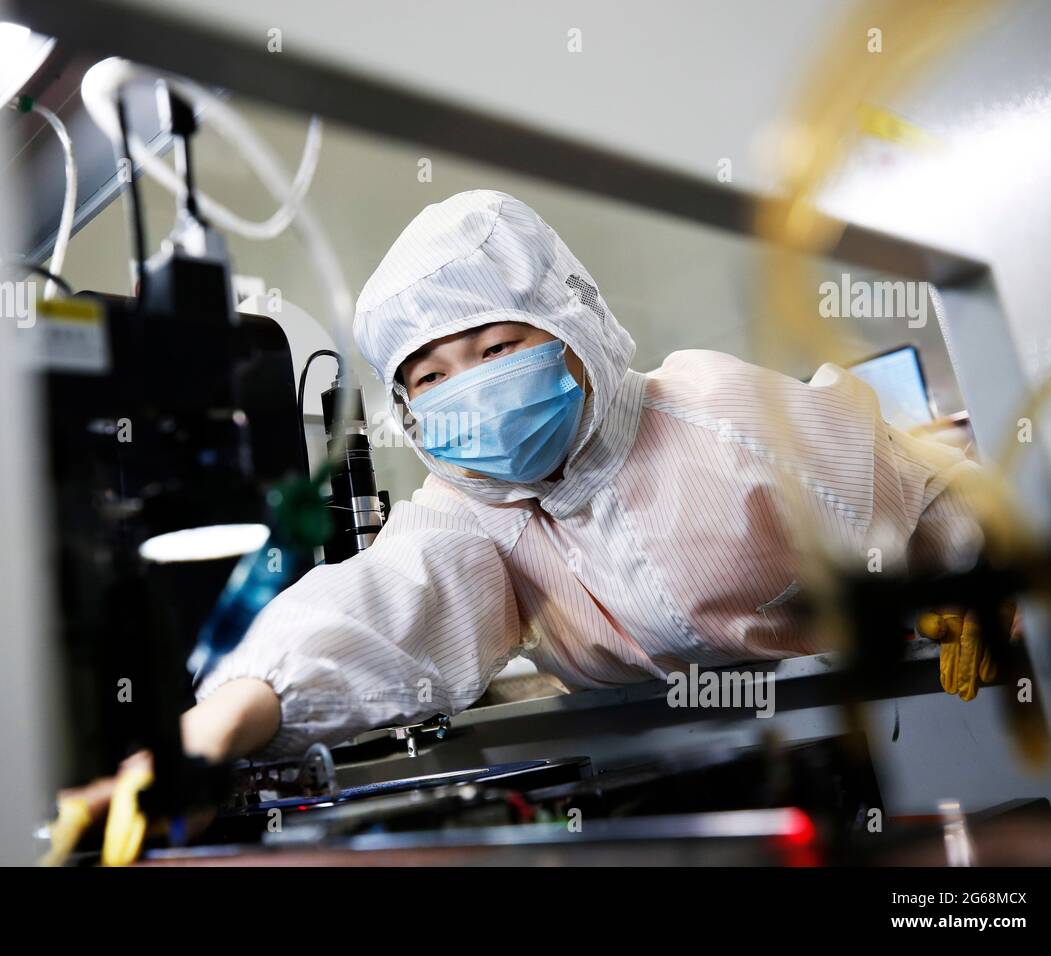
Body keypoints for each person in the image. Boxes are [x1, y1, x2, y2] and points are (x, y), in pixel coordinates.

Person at [176, 189, 989, 767]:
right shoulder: (472, 511)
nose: (470, 389)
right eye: (429, 379)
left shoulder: (712, 409)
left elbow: (900, 480)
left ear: (575, 322)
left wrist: (966, 573)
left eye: (496, 350)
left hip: (895, 727)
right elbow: (389, 602)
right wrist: (238, 709)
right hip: (681, 772)